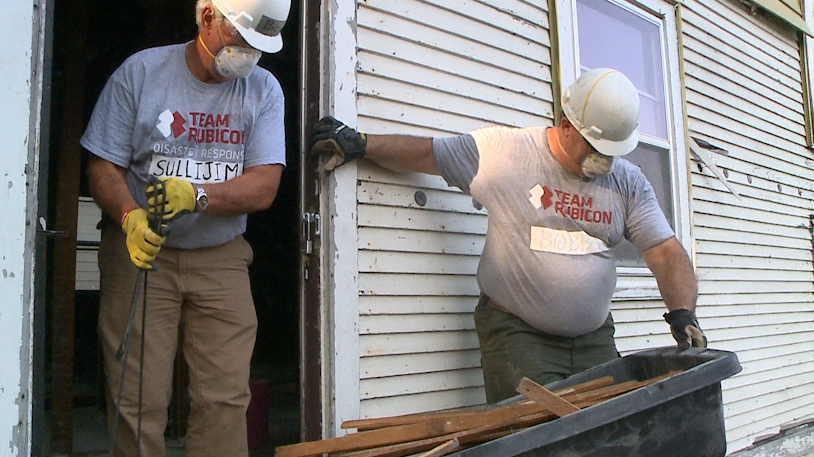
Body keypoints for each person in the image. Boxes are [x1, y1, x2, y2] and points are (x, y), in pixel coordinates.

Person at [309, 68, 707, 404]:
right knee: (535, 439)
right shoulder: (508, 153)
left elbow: (666, 253)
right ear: (567, 125)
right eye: (594, 148)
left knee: (604, 435)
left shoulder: (626, 182)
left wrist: (683, 312)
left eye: (611, 152)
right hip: (519, 336)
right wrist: (362, 144)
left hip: (594, 339)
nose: (602, 162)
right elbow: (428, 153)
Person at [80, 0, 290, 454]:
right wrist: (128, 216)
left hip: (221, 257)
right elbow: (102, 165)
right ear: (207, 16)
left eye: (259, 46)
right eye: (241, 38)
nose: (249, 55)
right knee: (136, 399)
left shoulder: (265, 90)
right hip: (142, 252)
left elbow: (264, 184)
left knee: (225, 400)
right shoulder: (141, 73)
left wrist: (197, 196)